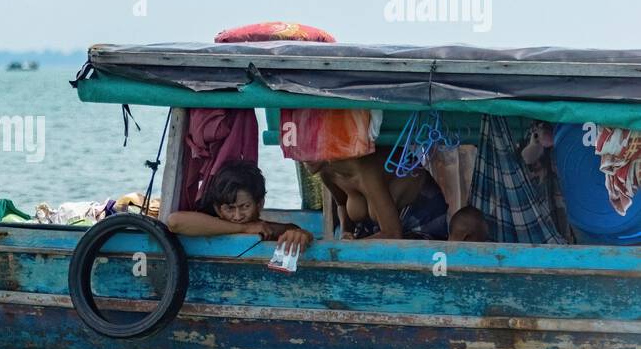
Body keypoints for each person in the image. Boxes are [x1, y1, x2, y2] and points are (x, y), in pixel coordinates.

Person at [307, 147, 488, 241]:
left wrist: (353, 246)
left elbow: (393, 234)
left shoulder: (365, 169)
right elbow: (341, 206)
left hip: (420, 221)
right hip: (377, 232)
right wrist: (346, 232)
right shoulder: (327, 173)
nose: (300, 156)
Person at [166, 160, 314, 252]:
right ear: (218, 208)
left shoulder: (265, 228)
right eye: (229, 208)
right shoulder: (205, 223)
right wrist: (245, 228)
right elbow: (175, 222)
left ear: (260, 203)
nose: (238, 216)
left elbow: (294, 230)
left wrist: (300, 235)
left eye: (245, 206)